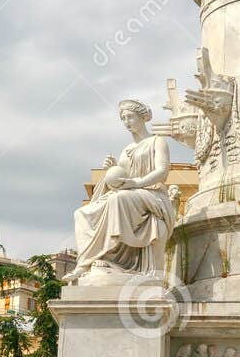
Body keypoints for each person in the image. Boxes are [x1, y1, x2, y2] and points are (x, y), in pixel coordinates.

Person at [67, 99, 176, 282]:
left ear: (142, 117)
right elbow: (120, 180)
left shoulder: (157, 141)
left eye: (130, 117)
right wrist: (112, 169)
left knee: (117, 200)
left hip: (152, 194)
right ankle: (86, 263)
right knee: (82, 213)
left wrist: (136, 183)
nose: (126, 121)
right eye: (123, 118)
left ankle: (109, 254)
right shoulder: (126, 150)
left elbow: (162, 172)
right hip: (130, 193)